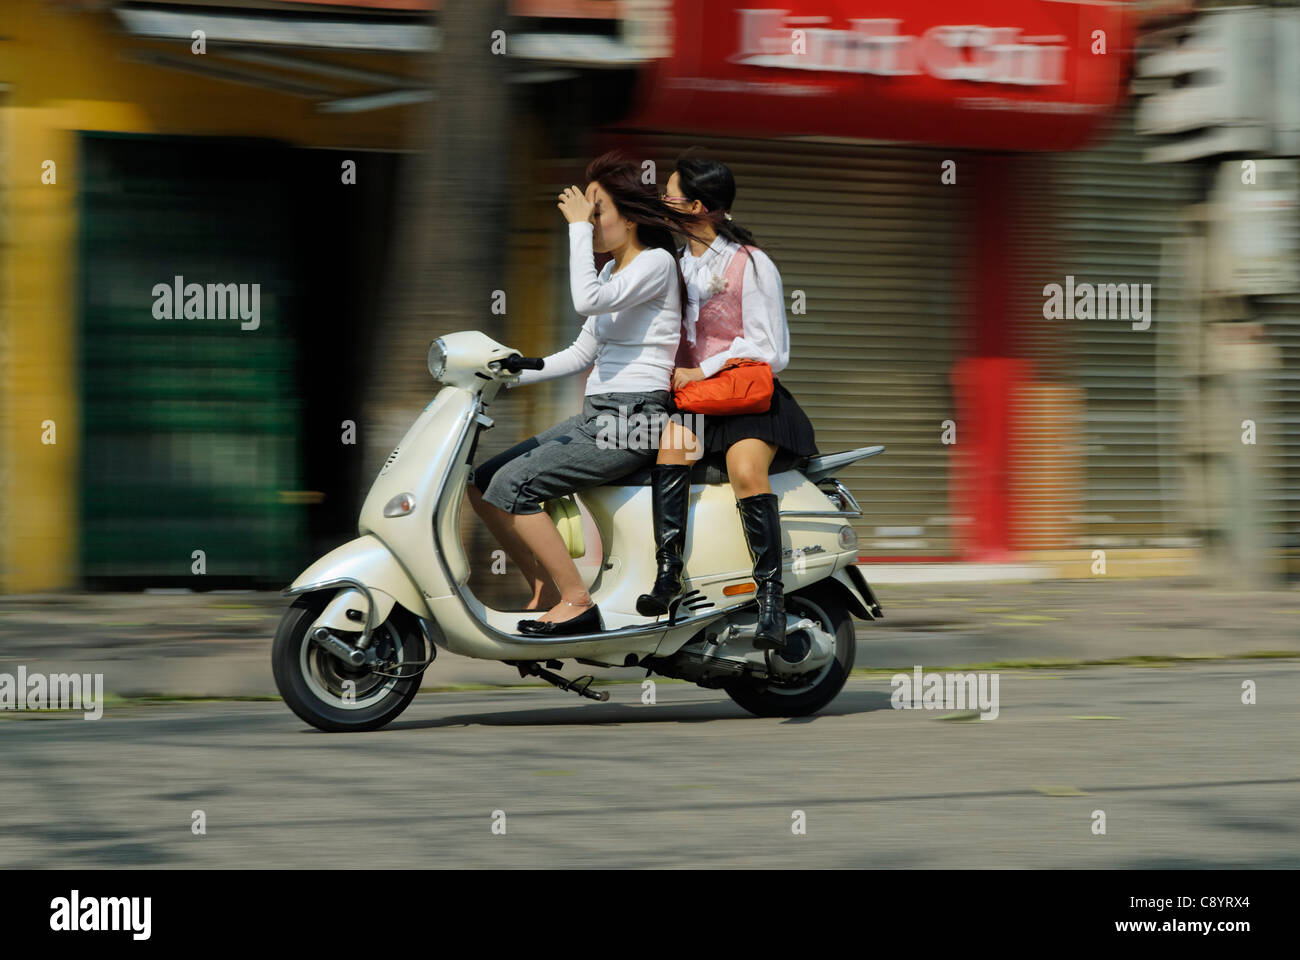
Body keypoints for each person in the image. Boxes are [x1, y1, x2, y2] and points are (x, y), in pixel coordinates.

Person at [467, 151, 702, 637]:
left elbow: (584, 300)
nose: (590, 223)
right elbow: (577, 354)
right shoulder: (616, 274)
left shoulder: (655, 264)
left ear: (631, 218)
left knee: (515, 488)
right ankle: (547, 586)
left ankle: (577, 602)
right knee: (484, 482)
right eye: (586, 214)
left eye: (598, 212)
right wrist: (503, 376)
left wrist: (574, 228)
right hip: (598, 415)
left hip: (636, 421)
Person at [636, 153, 818, 656]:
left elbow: (772, 349)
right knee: (670, 447)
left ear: (697, 206)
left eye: (670, 193)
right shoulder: (672, 263)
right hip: (693, 399)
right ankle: (668, 576)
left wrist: (705, 369)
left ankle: (771, 603)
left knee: (744, 470)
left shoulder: (752, 262)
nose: (662, 199)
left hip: (744, 397)